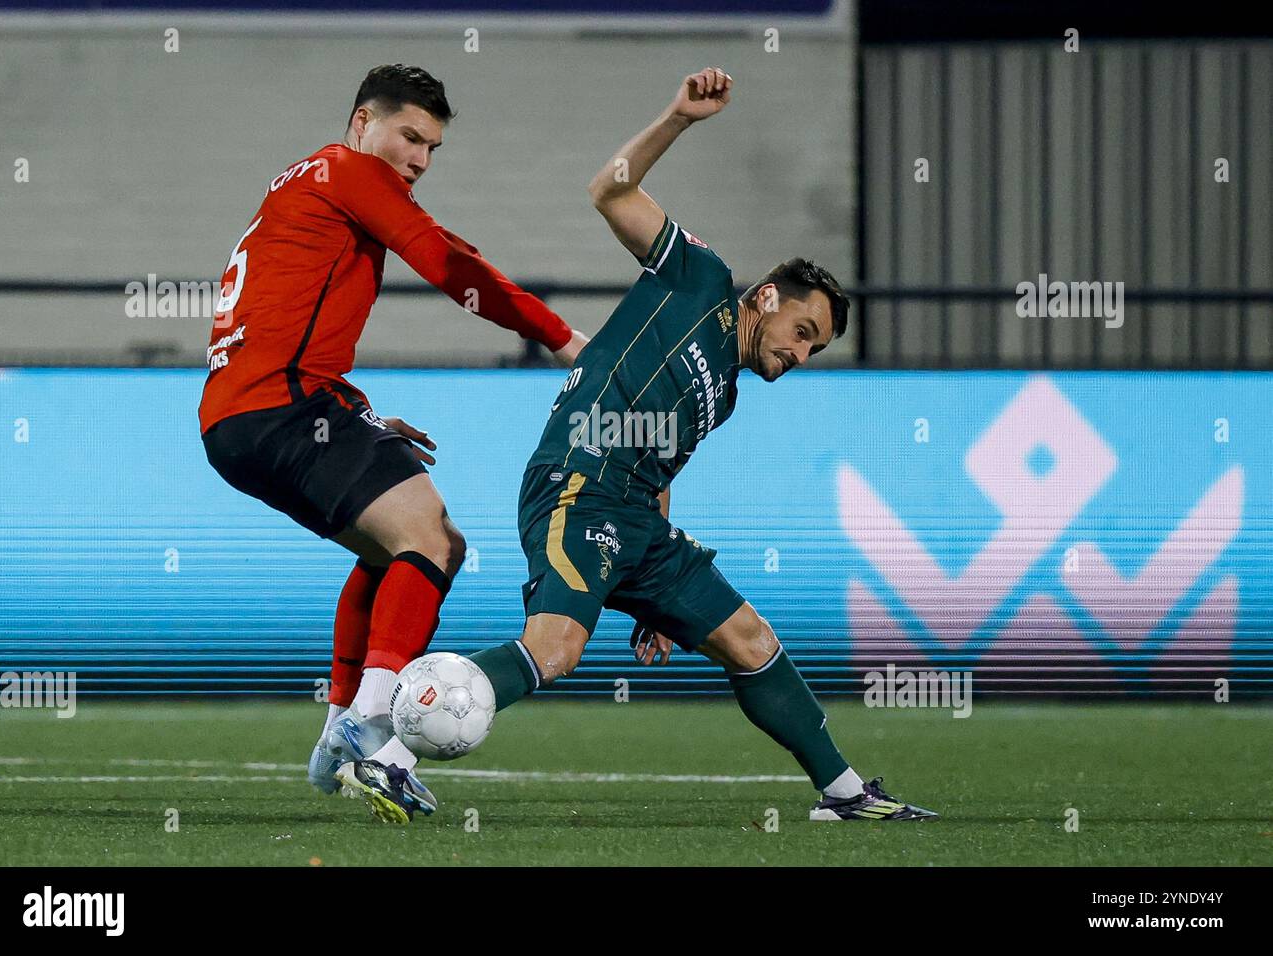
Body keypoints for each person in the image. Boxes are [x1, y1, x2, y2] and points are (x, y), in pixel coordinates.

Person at [337, 67, 936, 824]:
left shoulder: (725, 392)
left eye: (816, 350)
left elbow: (659, 466)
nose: (802, 355)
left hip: (635, 520)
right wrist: (679, 119)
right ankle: (389, 758)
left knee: (750, 641)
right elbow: (609, 191)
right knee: (554, 650)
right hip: (575, 488)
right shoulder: (700, 280)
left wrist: (652, 598)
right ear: (767, 300)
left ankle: (844, 795)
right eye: (803, 333)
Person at [197, 64, 588, 801]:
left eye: (433, 147)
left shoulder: (306, 183)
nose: (419, 159)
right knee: (433, 541)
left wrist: (355, 414)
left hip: (240, 416)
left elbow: (289, 314)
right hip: (282, 408)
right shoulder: (350, 169)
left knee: (388, 548)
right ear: (361, 123)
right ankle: (372, 720)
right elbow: (449, 263)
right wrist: (563, 339)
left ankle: (338, 731)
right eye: (409, 136)